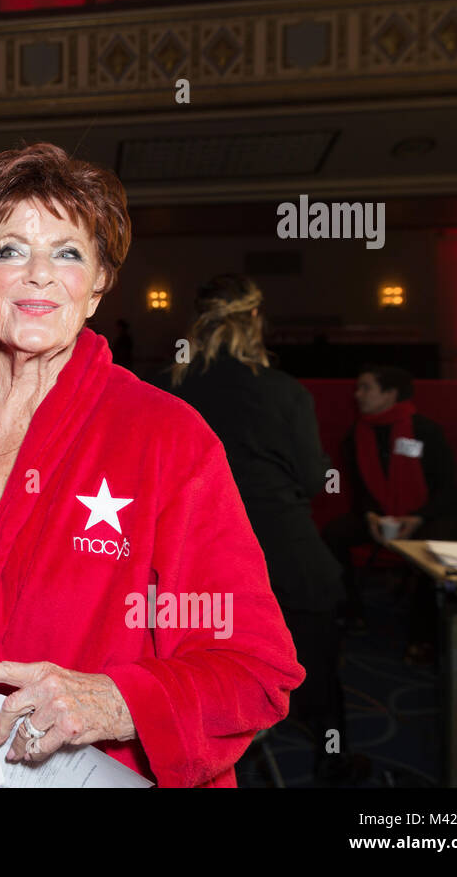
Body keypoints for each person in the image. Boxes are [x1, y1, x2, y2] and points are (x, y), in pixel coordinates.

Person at [0, 144, 303, 788]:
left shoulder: (169, 436)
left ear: (98, 286)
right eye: (9, 251)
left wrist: (115, 701)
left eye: (67, 252)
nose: (38, 275)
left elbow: (253, 665)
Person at [154, 274, 366, 785]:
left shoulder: (168, 388)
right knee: (315, 669)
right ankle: (330, 760)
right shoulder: (282, 390)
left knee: (202, 680)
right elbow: (314, 478)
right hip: (287, 558)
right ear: (254, 320)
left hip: (197, 568)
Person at [322, 365, 457, 652]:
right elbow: (359, 492)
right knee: (333, 533)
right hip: (381, 516)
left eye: (366, 388)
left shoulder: (426, 430)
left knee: (438, 542)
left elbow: (448, 489)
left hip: (425, 515)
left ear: (390, 394)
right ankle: (351, 610)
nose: (357, 394)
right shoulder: (355, 436)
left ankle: (423, 635)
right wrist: (370, 516)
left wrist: (417, 518)